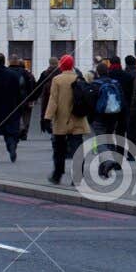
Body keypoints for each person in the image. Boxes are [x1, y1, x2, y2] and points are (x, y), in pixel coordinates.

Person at [44, 54, 90, 185]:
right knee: (78, 149)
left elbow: (53, 101)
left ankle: (57, 174)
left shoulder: (57, 79)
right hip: (78, 118)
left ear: (61, 65)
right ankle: (77, 177)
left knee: (59, 149)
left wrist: (47, 117)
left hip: (61, 120)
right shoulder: (80, 78)